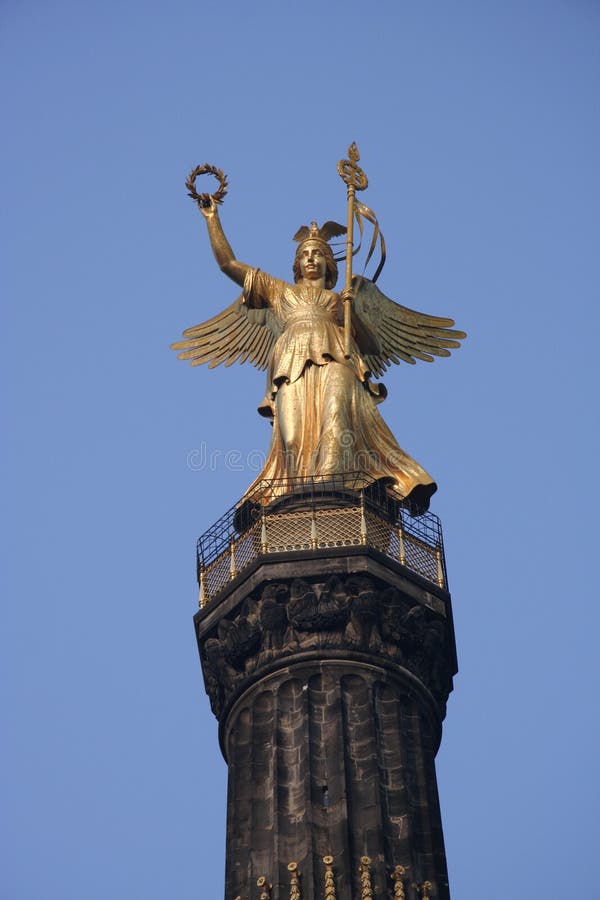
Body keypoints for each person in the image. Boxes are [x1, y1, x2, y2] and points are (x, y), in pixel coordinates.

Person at [173, 199, 463, 514]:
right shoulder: (278, 291)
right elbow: (229, 264)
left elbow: (372, 345)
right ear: (297, 264)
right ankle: (299, 500)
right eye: (305, 255)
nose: (311, 259)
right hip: (291, 364)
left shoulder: (340, 301)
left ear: (329, 264)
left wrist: (353, 311)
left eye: (318, 254)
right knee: (293, 438)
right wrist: (212, 217)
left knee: (337, 419)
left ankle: (333, 491)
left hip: (338, 360)